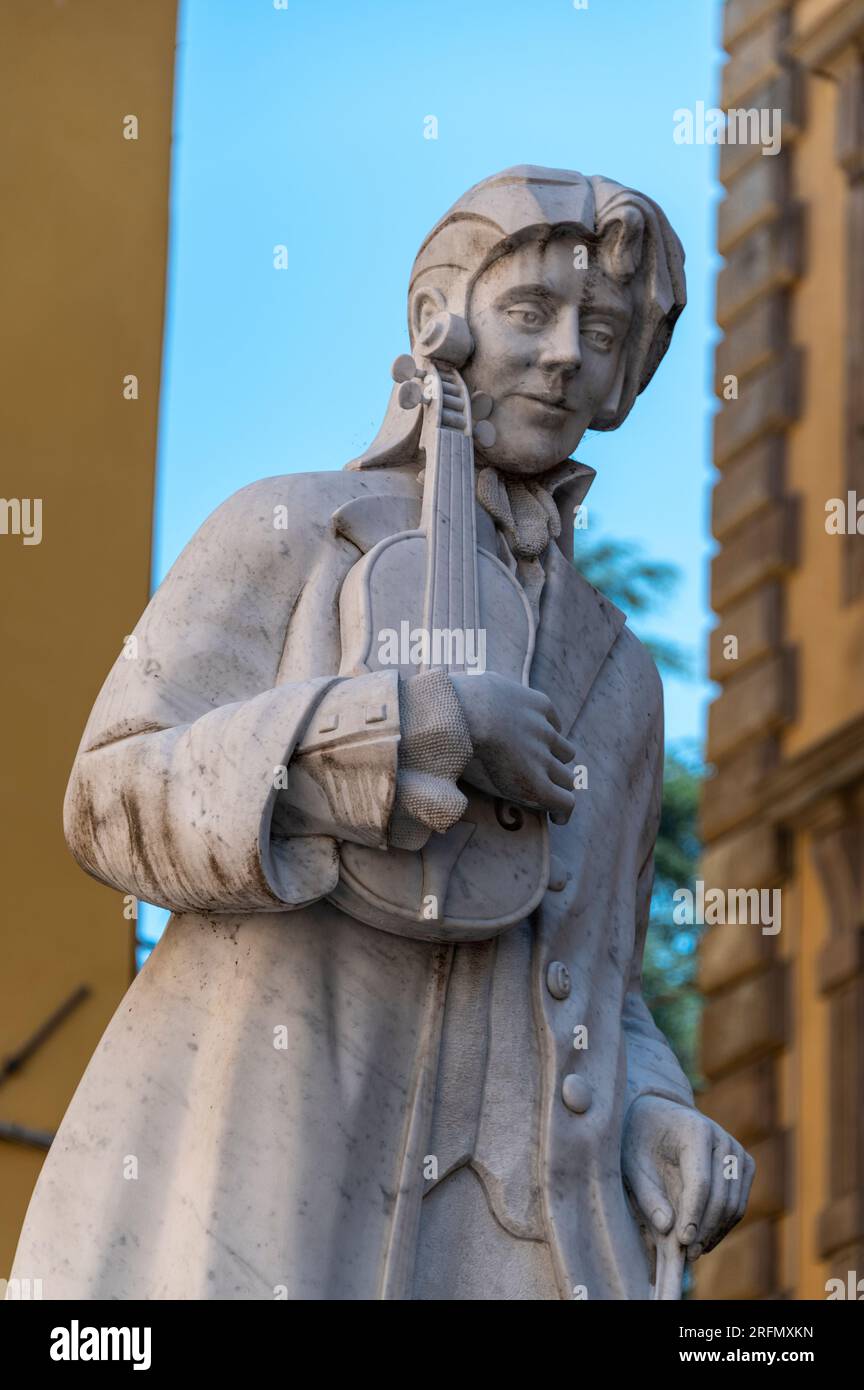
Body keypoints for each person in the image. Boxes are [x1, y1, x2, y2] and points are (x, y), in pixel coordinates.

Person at [9, 167, 753, 1300]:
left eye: (599, 329)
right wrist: (402, 726)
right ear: (435, 324)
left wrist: (653, 1110)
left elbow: (602, 973)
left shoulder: (624, 677)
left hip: (504, 1242)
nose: (564, 352)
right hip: (268, 1173)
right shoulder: (292, 525)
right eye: (529, 312)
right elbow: (111, 792)